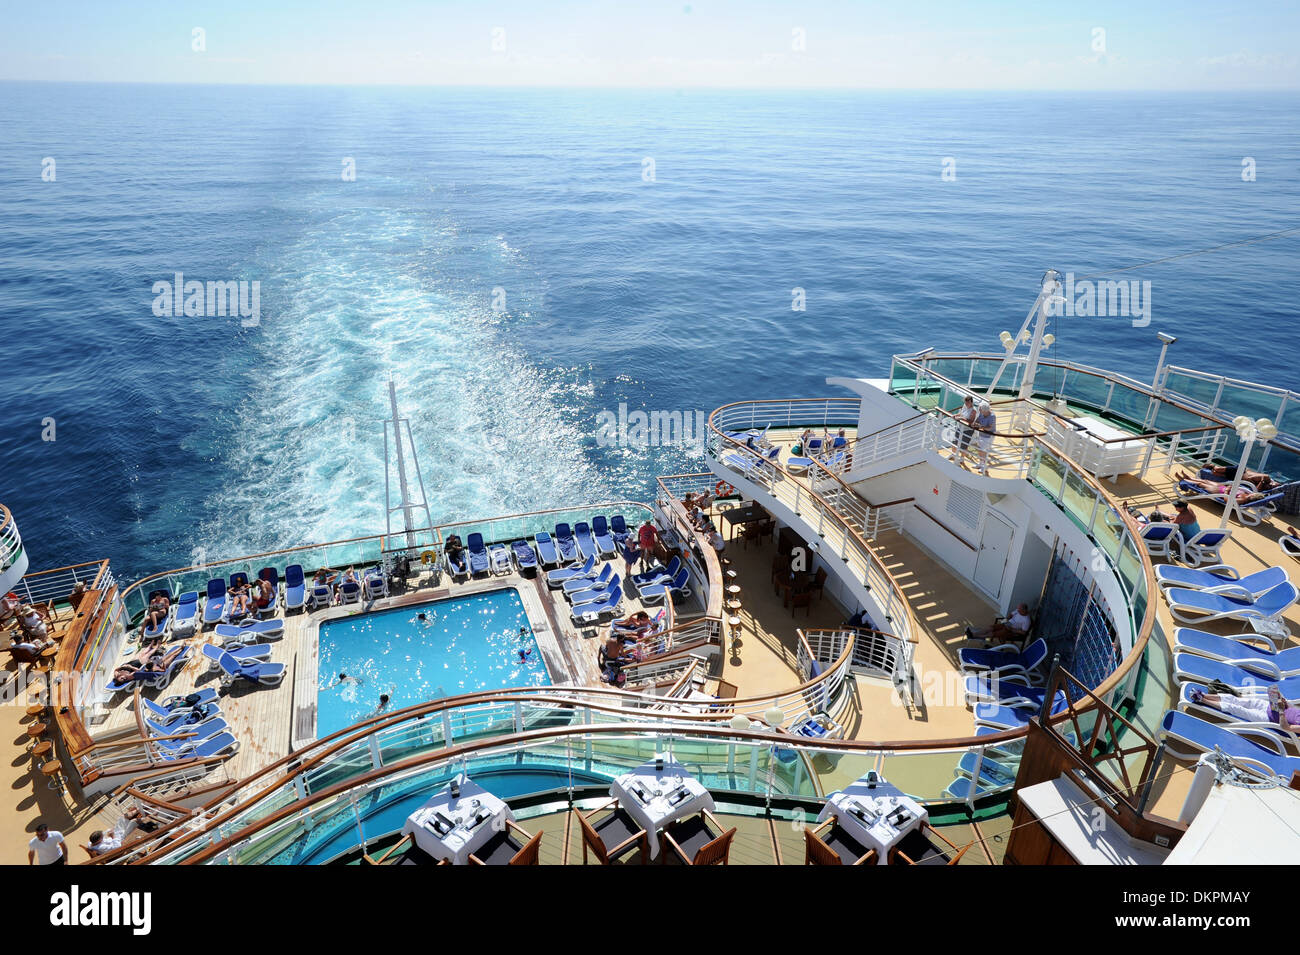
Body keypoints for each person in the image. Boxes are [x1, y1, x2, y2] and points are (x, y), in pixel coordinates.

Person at [1189, 684, 1300, 732]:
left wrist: (1281, 711)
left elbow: (1286, 727)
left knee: (1236, 709)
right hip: (1271, 707)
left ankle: (1202, 700)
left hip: (1269, 719)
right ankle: (1204, 695)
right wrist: (1284, 702)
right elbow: (1292, 709)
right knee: (1238, 700)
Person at [1175, 470, 1270, 506]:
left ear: (1253, 496)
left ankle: (1183, 480)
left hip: (1221, 491)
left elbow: (1226, 500)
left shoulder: (1242, 499)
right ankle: (1188, 478)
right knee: (1205, 481)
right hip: (1222, 488)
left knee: (1201, 485)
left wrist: (1228, 490)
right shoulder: (1247, 494)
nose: (1252, 493)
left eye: (1253, 494)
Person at [966, 603, 1031, 645]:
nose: (1017, 611)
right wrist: (1007, 618)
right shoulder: (1018, 611)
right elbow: (1011, 614)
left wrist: (1012, 629)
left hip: (1011, 630)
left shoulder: (1027, 620)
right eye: (1018, 609)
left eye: (1019, 610)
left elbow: (1024, 632)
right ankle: (973, 634)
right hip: (1006, 624)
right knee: (991, 627)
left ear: (1024, 611)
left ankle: (975, 636)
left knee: (993, 633)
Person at [949, 395, 977, 467]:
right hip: (960, 427)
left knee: (964, 445)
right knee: (954, 441)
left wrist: (961, 418)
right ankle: (953, 454)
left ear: (971, 402)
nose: (966, 404)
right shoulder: (965, 406)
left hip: (967, 430)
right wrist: (955, 415)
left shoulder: (974, 410)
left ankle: (962, 458)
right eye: (965, 402)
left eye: (967, 403)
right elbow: (961, 413)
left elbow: (970, 421)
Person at [972, 401, 997, 476]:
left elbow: (990, 428)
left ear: (984, 410)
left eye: (980, 409)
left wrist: (980, 426)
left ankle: (984, 466)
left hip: (988, 436)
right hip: (981, 434)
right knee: (980, 450)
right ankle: (981, 464)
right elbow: (977, 420)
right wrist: (975, 423)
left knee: (984, 451)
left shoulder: (992, 416)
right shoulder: (981, 414)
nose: (979, 410)